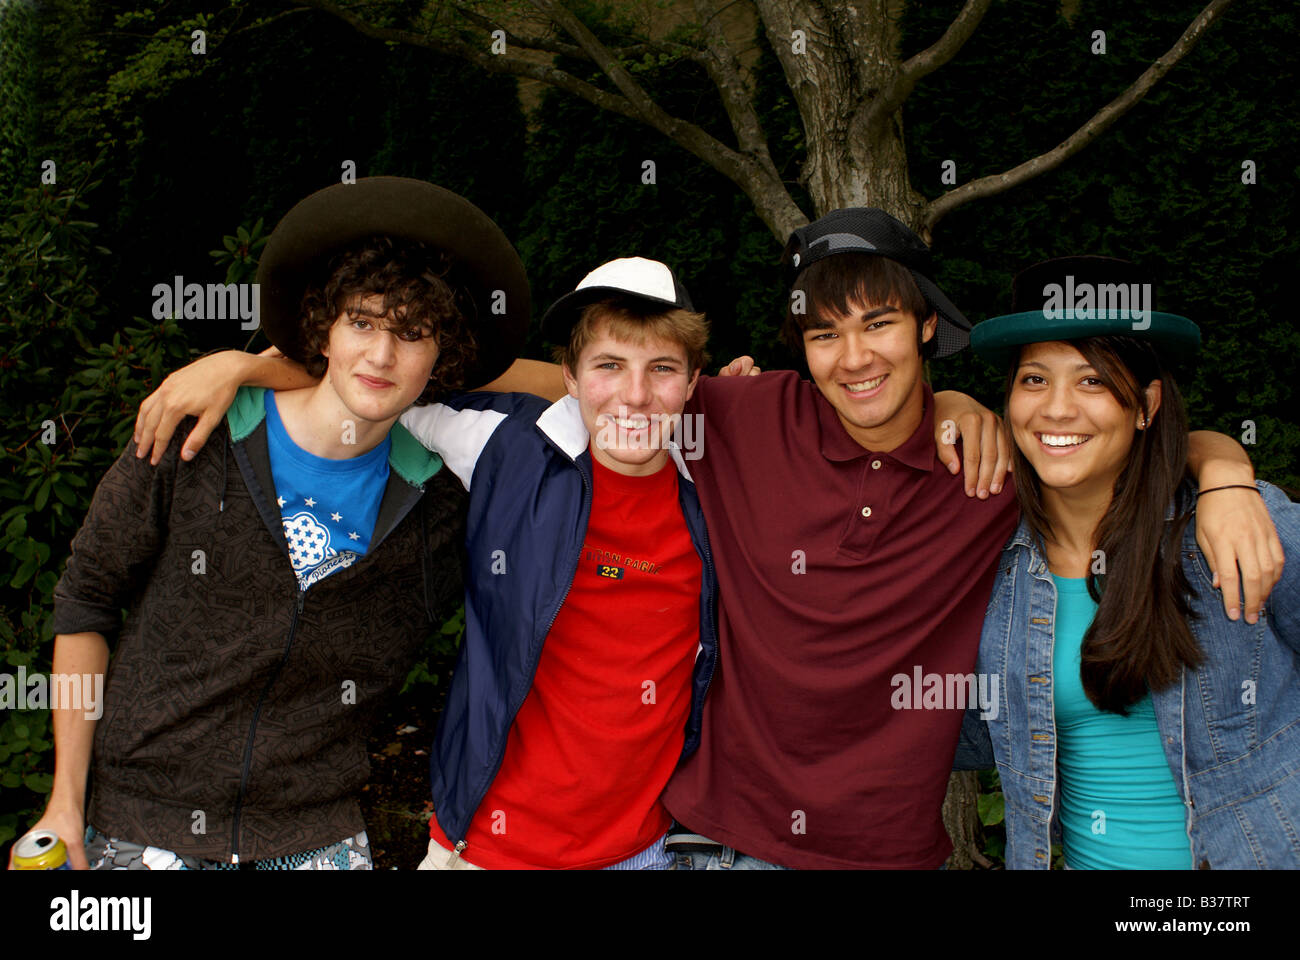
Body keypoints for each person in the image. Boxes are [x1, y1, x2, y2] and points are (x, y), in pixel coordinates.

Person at [133, 210, 1282, 870]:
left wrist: (1224, 470)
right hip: (707, 843)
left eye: (880, 320)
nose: (854, 355)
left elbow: (1119, 438)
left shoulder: (985, 464)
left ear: (928, 327)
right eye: (823, 331)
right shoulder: (725, 415)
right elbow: (481, 377)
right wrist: (248, 360)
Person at [11, 176, 528, 870]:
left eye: (413, 334)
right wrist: (64, 803)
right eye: (363, 322)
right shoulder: (196, 437)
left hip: (314, 834)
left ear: (446, 357)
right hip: (140, 820)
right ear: (325, 328)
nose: (381, 356)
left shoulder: (442, 506)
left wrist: (716, 395)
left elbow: (587, 389)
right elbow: (84, 603)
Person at [961, 255, 1297, 869]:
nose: (1057, 409)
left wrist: (1225, 476)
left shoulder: (1237, 526)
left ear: (1145, 404)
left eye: (1092, 381)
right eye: (1034, 379)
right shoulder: (994, 561)